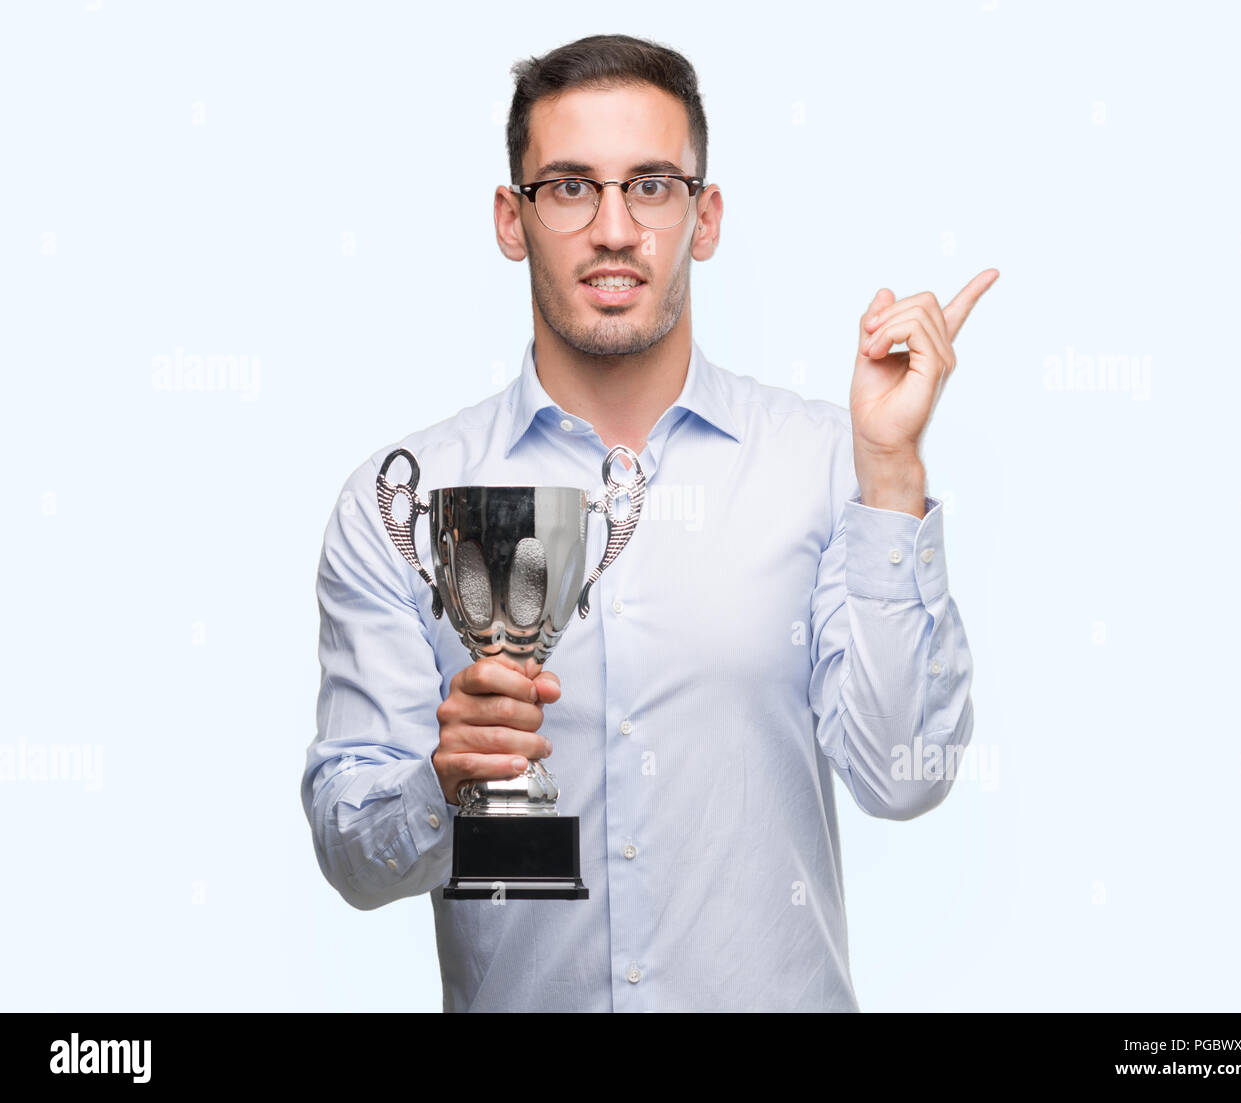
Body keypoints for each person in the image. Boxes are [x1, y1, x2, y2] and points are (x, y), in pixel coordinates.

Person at [301, 33, 995, 1012]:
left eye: (653, 186)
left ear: (703, 217)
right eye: (571, 186)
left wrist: (890, 471)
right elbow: (350, 853)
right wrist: (438, 781)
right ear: (513, 218)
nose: (616, 228)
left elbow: (901, 776)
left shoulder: (823, 464)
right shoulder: (404, 503)